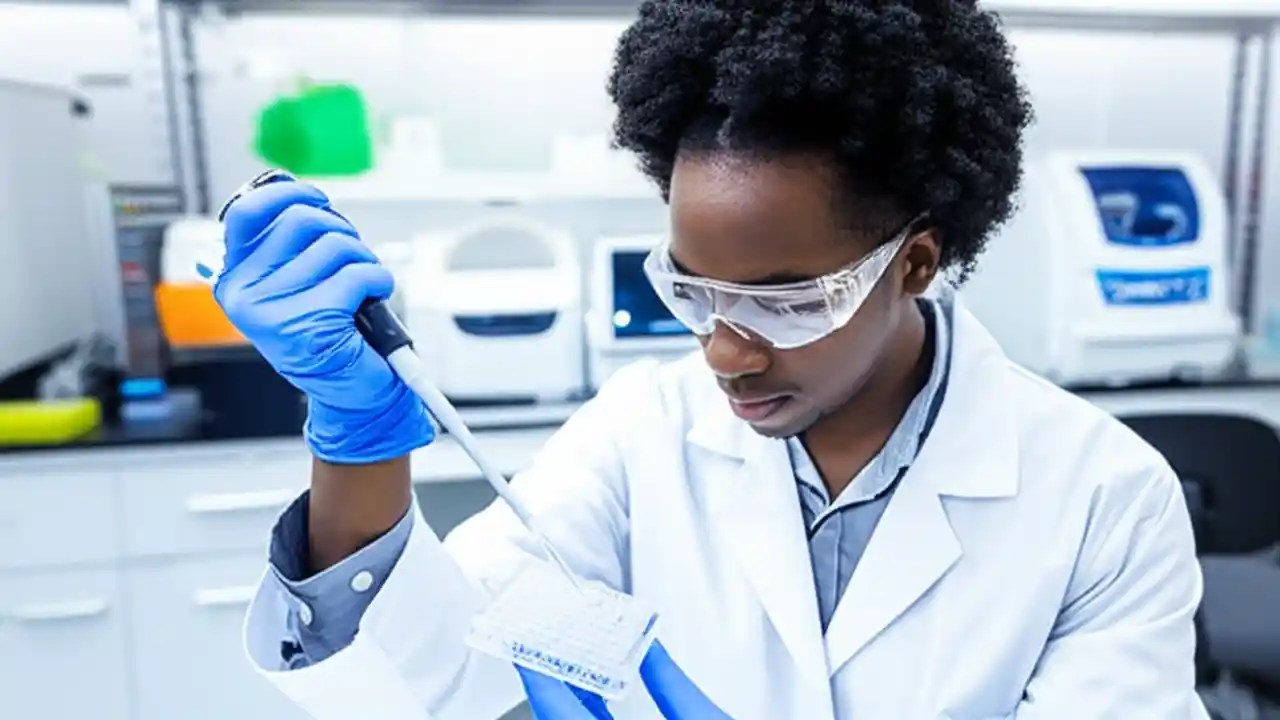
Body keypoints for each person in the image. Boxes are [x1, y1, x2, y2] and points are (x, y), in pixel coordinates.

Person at [219, 1, 1209, 718]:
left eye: (782, 302)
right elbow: (426, 677)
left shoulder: (1101, 496)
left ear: (913, 263)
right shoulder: (637, 431)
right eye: (691, 289)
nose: (723, 351)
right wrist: (354, 444)